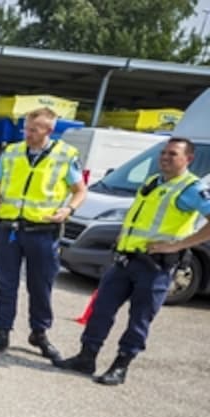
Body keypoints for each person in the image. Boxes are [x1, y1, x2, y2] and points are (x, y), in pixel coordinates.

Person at [54, 138, 210, 385]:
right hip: (125, 259)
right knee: (101, 310)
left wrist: (178, 245)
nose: (165, 157)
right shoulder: (153, 181)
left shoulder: (190, 189)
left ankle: (121, 366)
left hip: (156, 266)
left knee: (139, 319)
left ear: (188, 159)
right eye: (163, 153)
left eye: (172, 154)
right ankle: (86, 357)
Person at [0, 107, 86, 359]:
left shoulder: (66, 155)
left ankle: (40, 333)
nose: (28, 133)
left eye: (34, 130)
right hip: (9, 229)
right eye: (26, 127)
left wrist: (68, 209)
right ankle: (1, 332)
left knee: (40, 286)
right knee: (5, 283)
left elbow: (80, 190)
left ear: (49, 130)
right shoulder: (12, 152)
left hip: (43, 231)